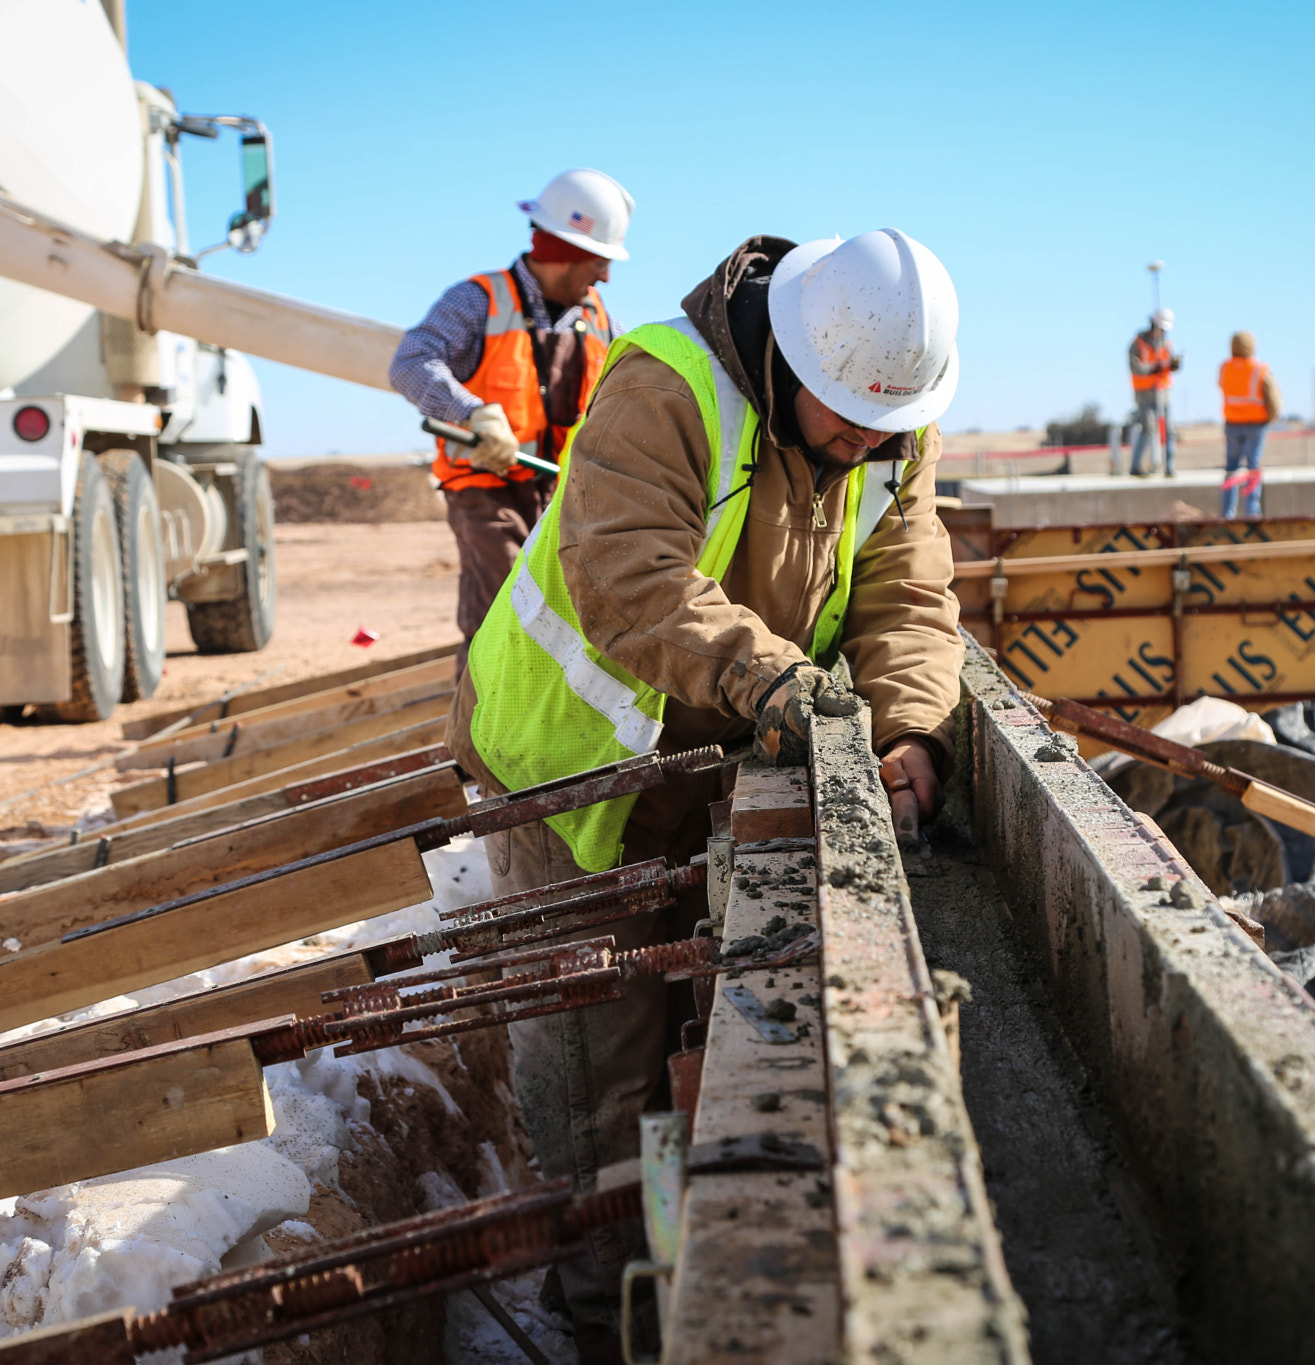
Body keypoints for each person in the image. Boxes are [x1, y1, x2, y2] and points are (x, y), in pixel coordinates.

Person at [447, 230, 962, 1357]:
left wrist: (911, 728)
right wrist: (774, 680)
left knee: (691, 1019)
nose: (868, 440)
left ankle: (658, 1266)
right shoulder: (665, 382)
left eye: (889, 422)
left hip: (708, 752)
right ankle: (599, 1316)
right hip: (564, 768)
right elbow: (627, 577)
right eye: (847, 416)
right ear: (789, 360)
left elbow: (907, 600)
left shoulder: (890, 426)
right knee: (599, 1070)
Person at [389, 168, 633, 660]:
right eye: (600, 260)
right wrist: (473, 414)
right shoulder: (476, 300)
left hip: (565, 496)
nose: (605, 276)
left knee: (569, 619)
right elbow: (410, 363)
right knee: (503, 616)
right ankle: (475, 735)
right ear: (566, 252)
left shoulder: (601, 318)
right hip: (487, 493)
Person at [1218, 331, 1281, 518]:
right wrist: (1270, 417)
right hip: (1256, 425)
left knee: (1231, 467)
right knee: (1253, 467)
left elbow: (1221, 386)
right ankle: (1252, 511)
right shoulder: (1259, 370)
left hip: (1232, 424)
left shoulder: (1225, 368)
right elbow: (1273, 399)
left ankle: (1227, 513)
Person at [1126, 308, 1182, 476]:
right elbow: (1135, 367)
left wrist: (1174, 364)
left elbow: (1168, 363)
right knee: (1148, 428)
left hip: (1162, 391)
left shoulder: (1165, 343)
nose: (1162, 332)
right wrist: (1153, 368)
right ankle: (1135, 466)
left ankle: (1169, 467)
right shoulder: (1138, 343)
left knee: (1169, 430)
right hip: (1144, 393)